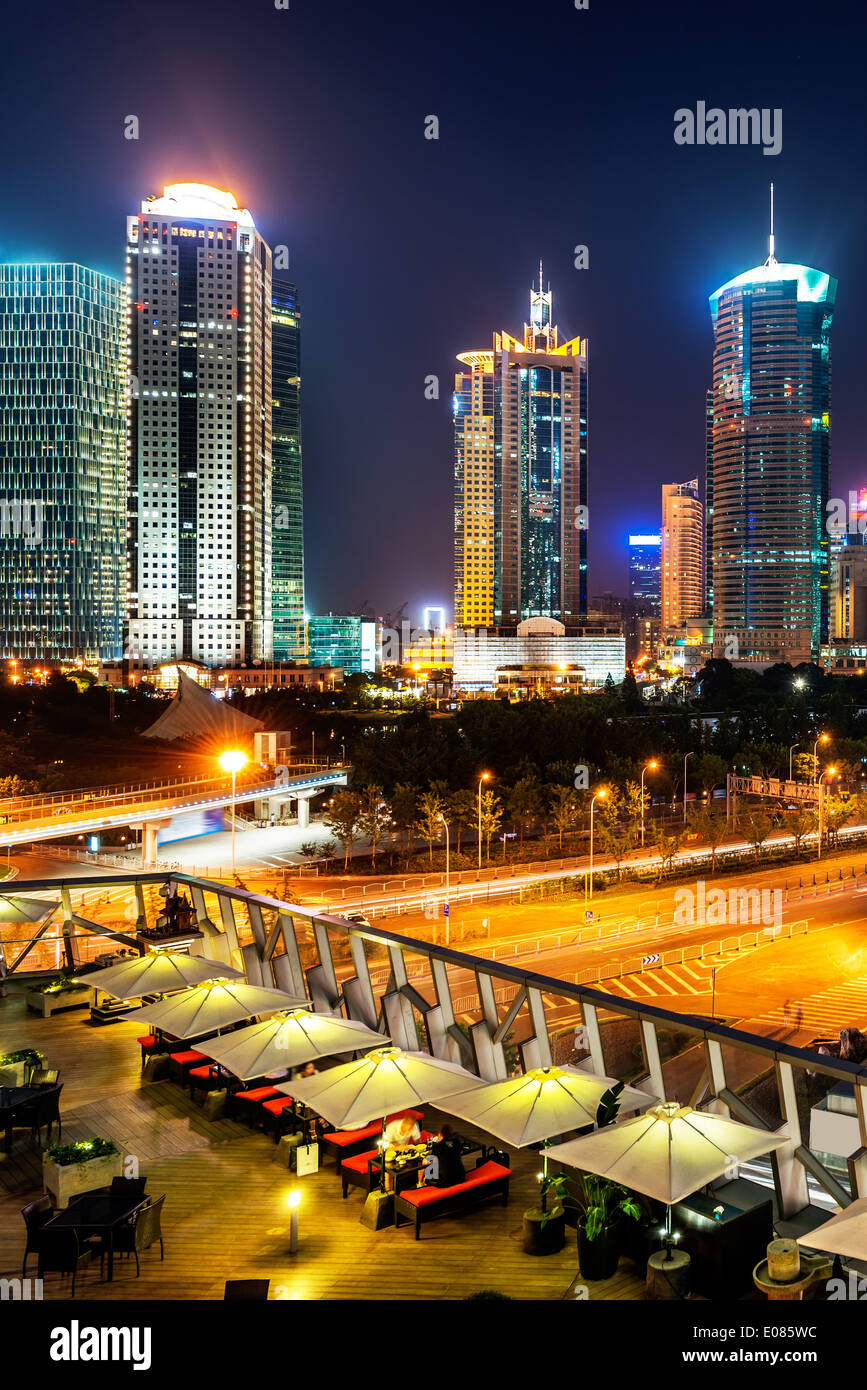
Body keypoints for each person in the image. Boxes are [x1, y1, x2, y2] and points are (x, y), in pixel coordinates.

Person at [427, 1123, 465, 1188]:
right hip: (461, 1177)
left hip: (446, 1181)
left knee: (427, 1177)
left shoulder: (437, 1146)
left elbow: (431, 1160)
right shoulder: (456, 1142)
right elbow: (452, 1147)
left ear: (440, 1135)